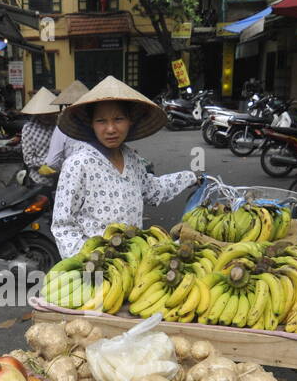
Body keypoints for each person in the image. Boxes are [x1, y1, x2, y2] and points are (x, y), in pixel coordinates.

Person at [50, 76, 198, 257]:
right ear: (91, 124)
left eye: (118, 119)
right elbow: (63, 225)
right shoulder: (78, 164)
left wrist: (189, 177)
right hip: (96, 268)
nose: (111, 129)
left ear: (130, 121)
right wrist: (92, 261)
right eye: (101, 121)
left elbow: (153, 190)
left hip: (134, 261)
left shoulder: (132, 159)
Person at [19, 87, 59, 171]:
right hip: (39, 180)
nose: (45, 116)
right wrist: (50, 162)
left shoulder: (59, 126)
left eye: (49, 113)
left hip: (60, 177)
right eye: (42, 113)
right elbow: (28, 159)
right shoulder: (29, 129)